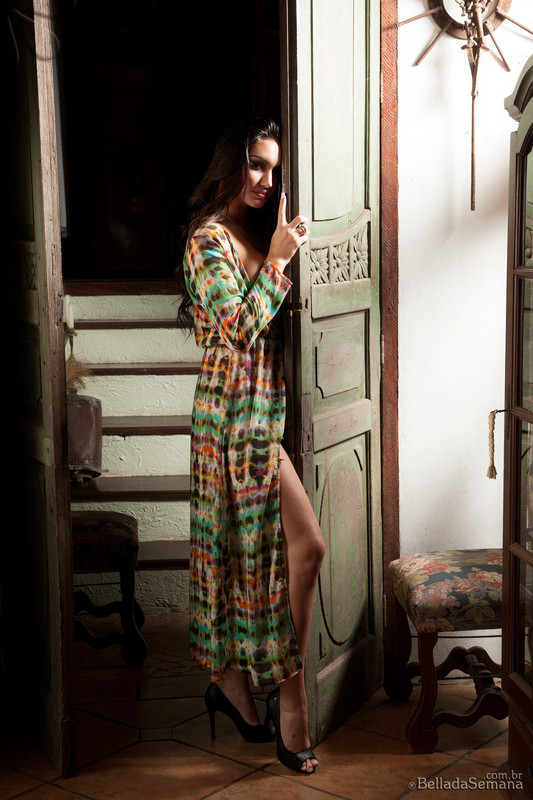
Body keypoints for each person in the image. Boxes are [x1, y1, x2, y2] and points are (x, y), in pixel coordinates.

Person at [175, 116, 325, 775]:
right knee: (254, 557)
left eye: (273, 168)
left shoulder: (261, 233)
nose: (266, 179)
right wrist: (281, 259)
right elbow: (237, 329)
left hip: (263, 416)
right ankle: (277, 699)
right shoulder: (206, 240)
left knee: (298, 552)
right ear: (229, 164)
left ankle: (244, 686)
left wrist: (278, 251)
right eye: (255, 164)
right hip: (229, 421)